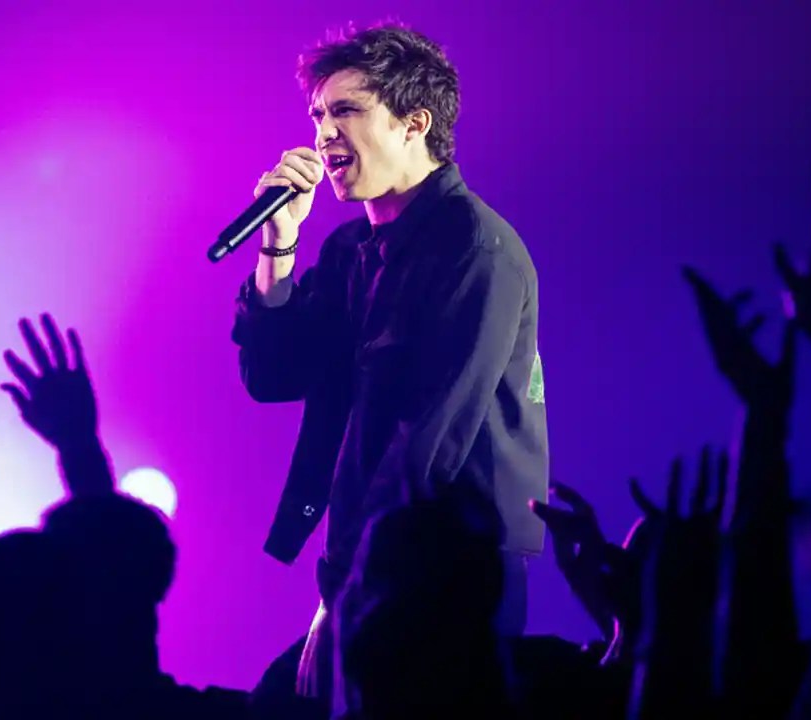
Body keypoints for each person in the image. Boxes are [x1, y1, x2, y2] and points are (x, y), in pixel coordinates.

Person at [231, 22, 549, 713]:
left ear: (415, 123)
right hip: (378, 565)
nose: (322, 134)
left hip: (452, 570)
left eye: (345, 110)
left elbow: (425, 443)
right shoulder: (352, 251)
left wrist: (345, 591)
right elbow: (273, 377)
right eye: (317, 114)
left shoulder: (474, 251)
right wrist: (277, 252)